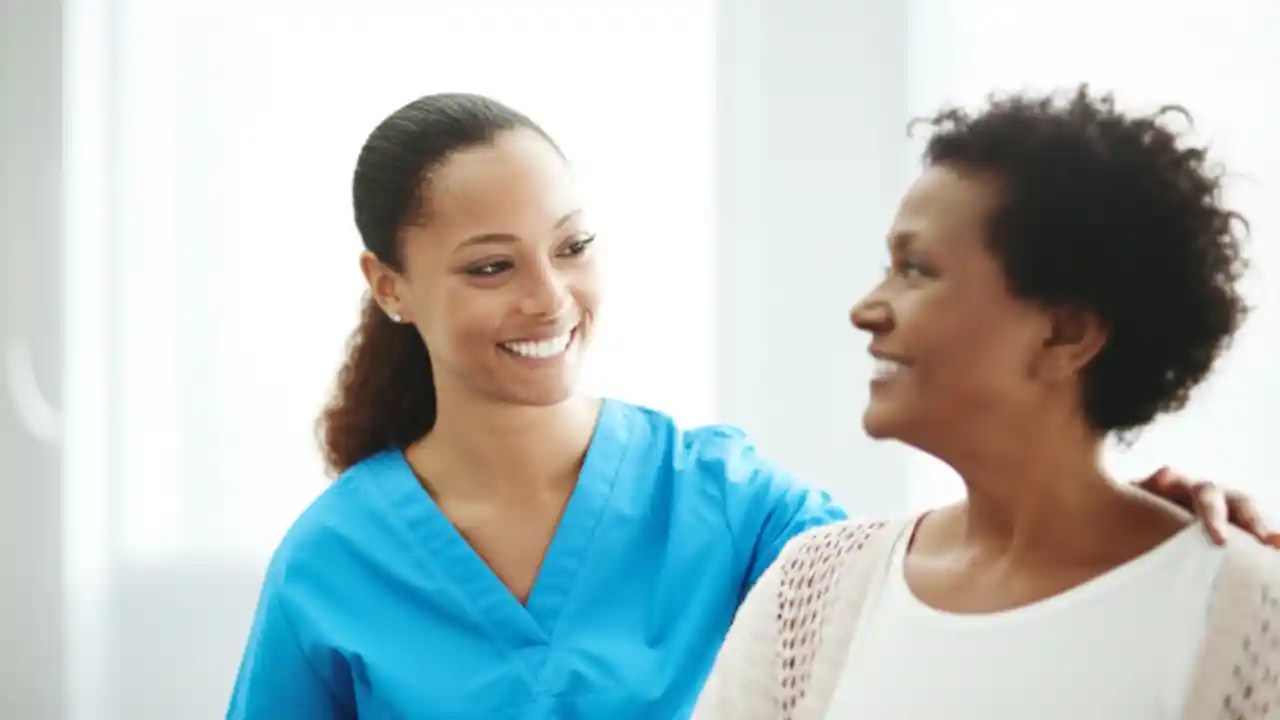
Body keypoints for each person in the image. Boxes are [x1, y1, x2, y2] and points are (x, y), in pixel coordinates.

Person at [227, 92, 1273, 720]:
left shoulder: (732, 508)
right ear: (391, 286)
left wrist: (1129, 516)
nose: (548, 296)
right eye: (490, 265)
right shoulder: (331, 564)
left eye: (574, 245)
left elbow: (944, 605)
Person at [693, 86, 1280, 720]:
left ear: (1065, 333)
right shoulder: (811, 588)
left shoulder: (1250, 614)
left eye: (915, 268)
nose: (865, 310)